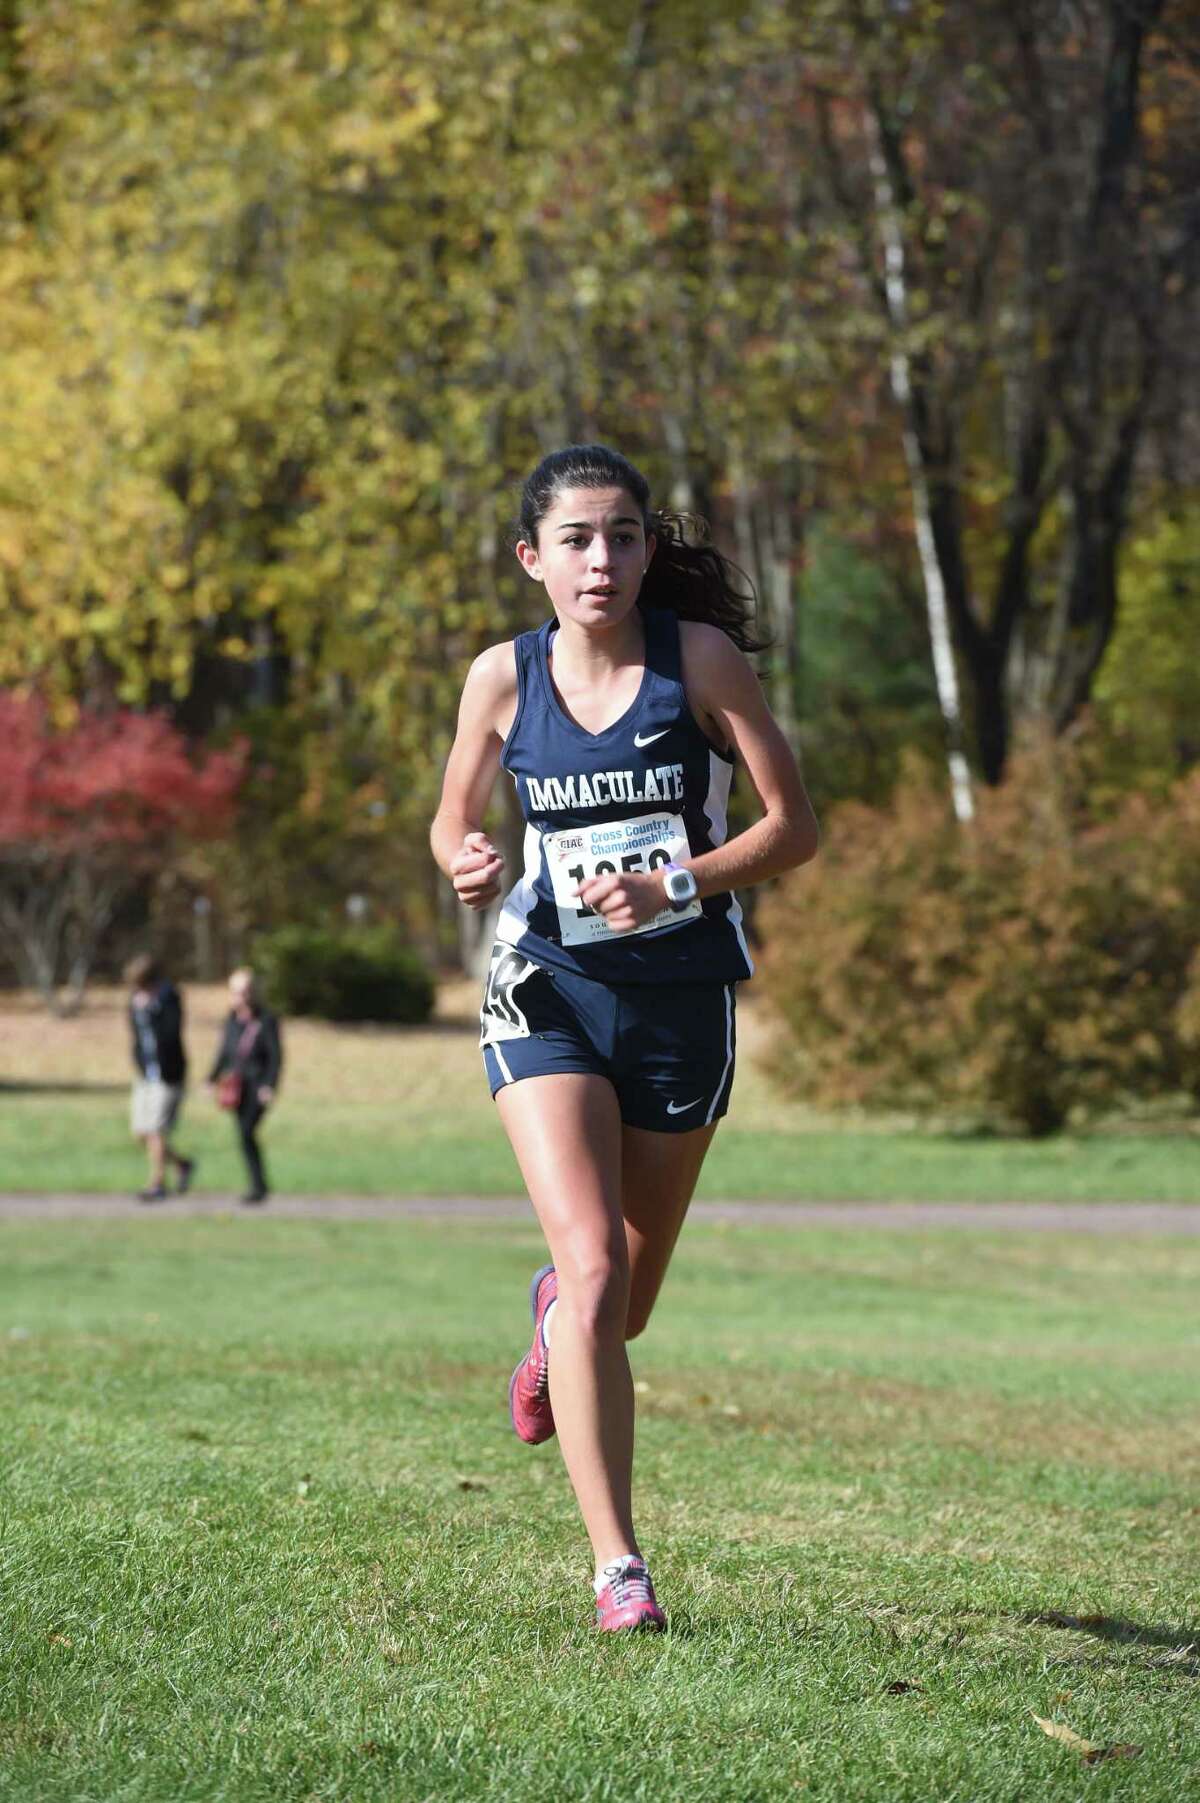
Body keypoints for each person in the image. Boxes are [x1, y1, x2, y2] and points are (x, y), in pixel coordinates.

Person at [430, 444, 819, 1633]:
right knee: (596, 1271)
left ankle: (558, 1327)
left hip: (681, 999)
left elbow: (795, 828)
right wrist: (465, 860)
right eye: (581, 540)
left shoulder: (695, 662)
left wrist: (680, 886)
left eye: (627, 536)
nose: (605, 560)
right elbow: (453, 821)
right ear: (532, 558)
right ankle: (620, 1570)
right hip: (544, 987)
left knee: (618, 1303)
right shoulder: (503, 677)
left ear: (652, 548)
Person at [207, 967, 283, 1205]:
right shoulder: (231, 1020)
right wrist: (210, 1078)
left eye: (246, 991)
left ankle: (258, 1186)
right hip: (236, 1087)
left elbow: (275, 1057)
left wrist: (269, 1085)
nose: (242, 996)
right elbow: (223, 1053)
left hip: (257, 1086)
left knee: (246, 1132)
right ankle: (258, 1185)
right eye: (237, 992)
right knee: (244, 1135)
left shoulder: (266, 1020)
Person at [125, 953, 195, 1203]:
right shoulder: (134, 1001)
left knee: (156, 1131)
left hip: (168, 1075)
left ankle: (157, 1184)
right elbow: (135, 1036)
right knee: (140, 1133)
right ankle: (182, 1164)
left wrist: (152, 1011)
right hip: (146, 1075)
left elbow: (171, 1034)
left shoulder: (169, 998)